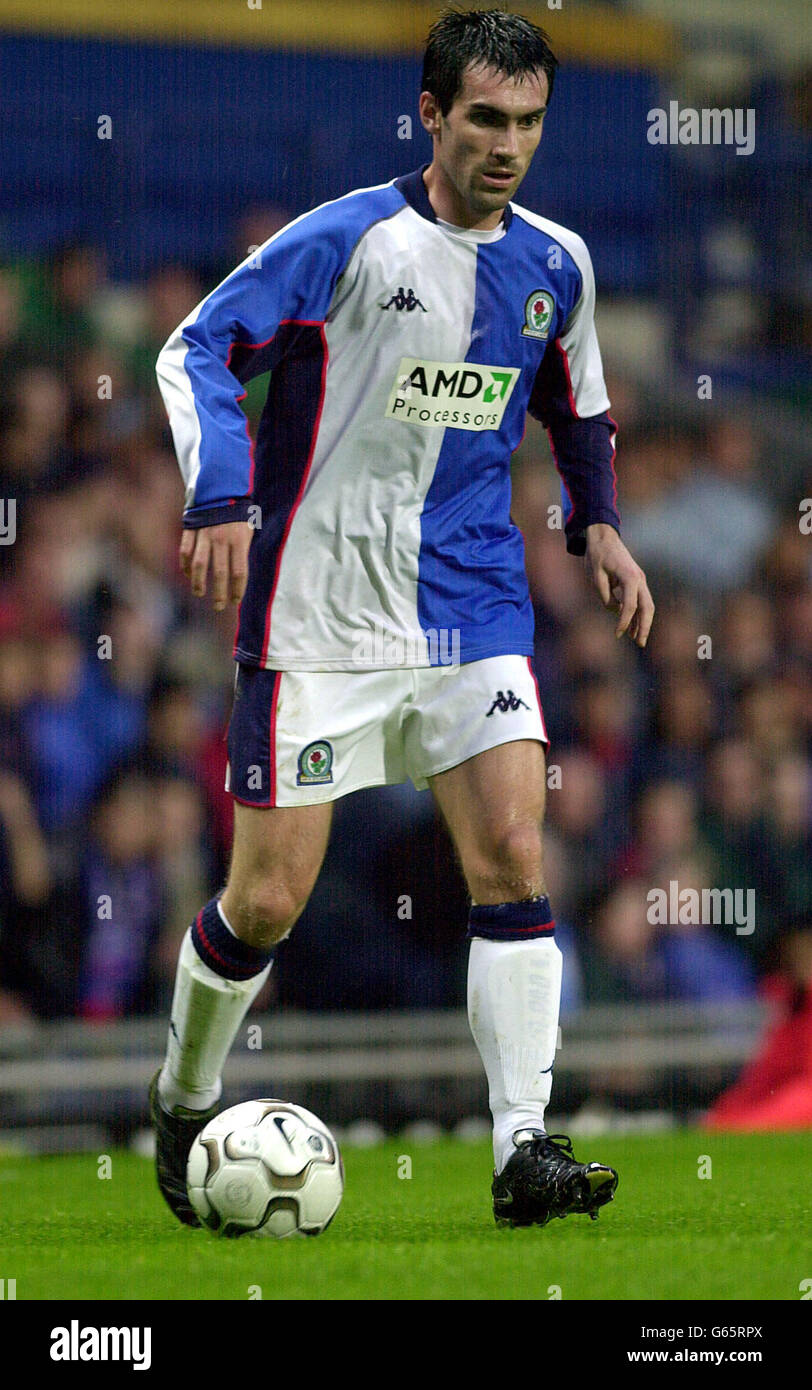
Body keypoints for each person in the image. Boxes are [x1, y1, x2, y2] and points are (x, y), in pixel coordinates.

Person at [152, 9, 654, 1230]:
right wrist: (220, 491)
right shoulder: (343, 242)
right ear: (430, 116)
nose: (507, 145)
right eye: (484, 118)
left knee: (513, 860)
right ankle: (183, 1097)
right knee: (264, 900)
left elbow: (573, 399)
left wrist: (594, 520)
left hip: (472, 605)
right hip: (316, 610)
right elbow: (194, 347)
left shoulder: (556, 263)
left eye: (528, 122)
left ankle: (520, 1147)